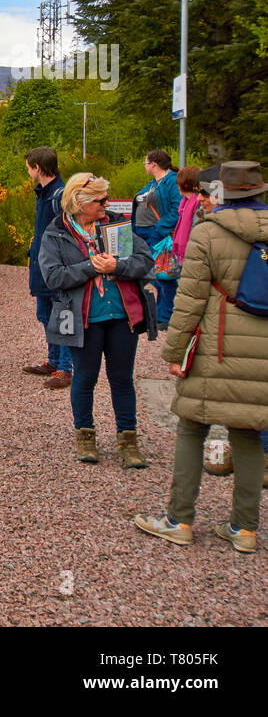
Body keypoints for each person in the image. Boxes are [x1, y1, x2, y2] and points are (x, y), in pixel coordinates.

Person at [135, 160, 268, 553]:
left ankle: (179, 520)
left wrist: (175, 353)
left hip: (217, 346)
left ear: (219, 196)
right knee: (248, 432)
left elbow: (190, 303)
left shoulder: (208, 235)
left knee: (192, 428)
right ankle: (245, 529)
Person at [39, 172, 156, 467]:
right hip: (82, 320)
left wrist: (118, 265)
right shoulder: (55, 233)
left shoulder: (118, 224)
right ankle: (85, 437)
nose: (106, 203)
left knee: (121, 380)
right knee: (85, 377)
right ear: (79, 202)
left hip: (121, 316)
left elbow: (144, 262)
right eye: (100, 199)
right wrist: (91, 267)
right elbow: (53, 277)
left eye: (105, 198)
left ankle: (128, 441)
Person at [22, 147, 72, 389]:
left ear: (38, 168)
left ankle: (66, 367)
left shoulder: (59, 196)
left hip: (56, 269)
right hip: (42, 267)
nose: (28, 172)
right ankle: (53, 361)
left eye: (29, 168)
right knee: (45, 315)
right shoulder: (45, 194)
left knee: (62, 316)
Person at [132, 150, 181, 328]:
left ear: (154, 164)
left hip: (156, 233)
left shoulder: (172, 181)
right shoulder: (155, 183)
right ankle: (162, 312)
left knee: (163, 274)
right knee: (151, 273)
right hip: (143, 233)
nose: (145, 166)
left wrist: (160, 229)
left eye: (146, 163)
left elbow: (177, 208)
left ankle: (165, 315)